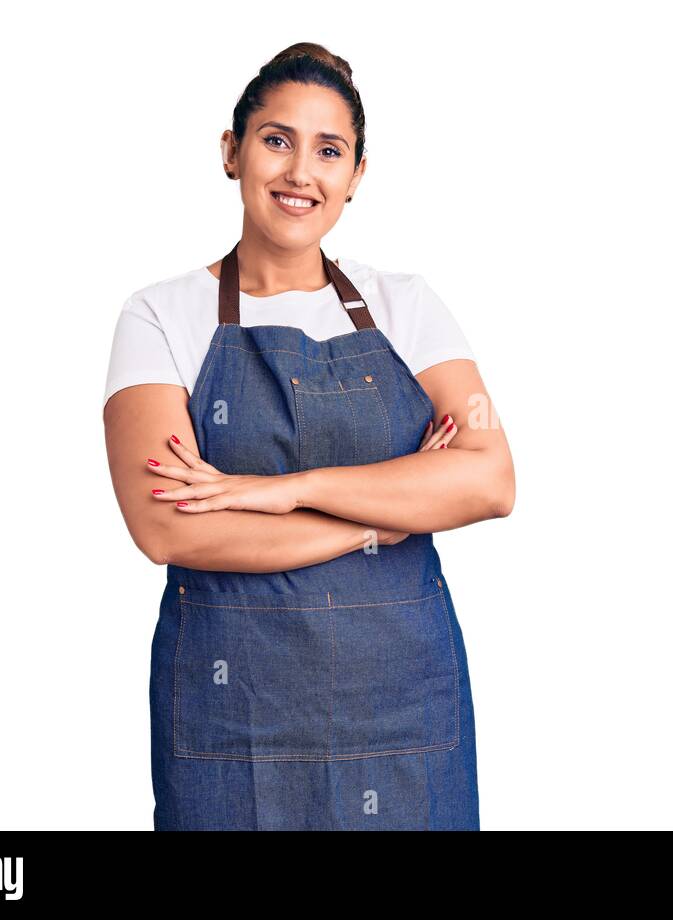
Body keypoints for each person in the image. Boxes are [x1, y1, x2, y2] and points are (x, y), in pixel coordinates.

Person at [101, 42, 514, 830]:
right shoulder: (160, 316)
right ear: (233, 151)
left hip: (403, 716)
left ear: (356, 175)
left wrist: (278, 492)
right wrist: (382, 515)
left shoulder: (408, 306)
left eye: (329, 151)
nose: (301, 173)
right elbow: (164, 527)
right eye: (276, 139)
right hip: (234, 722)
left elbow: (490, 479)